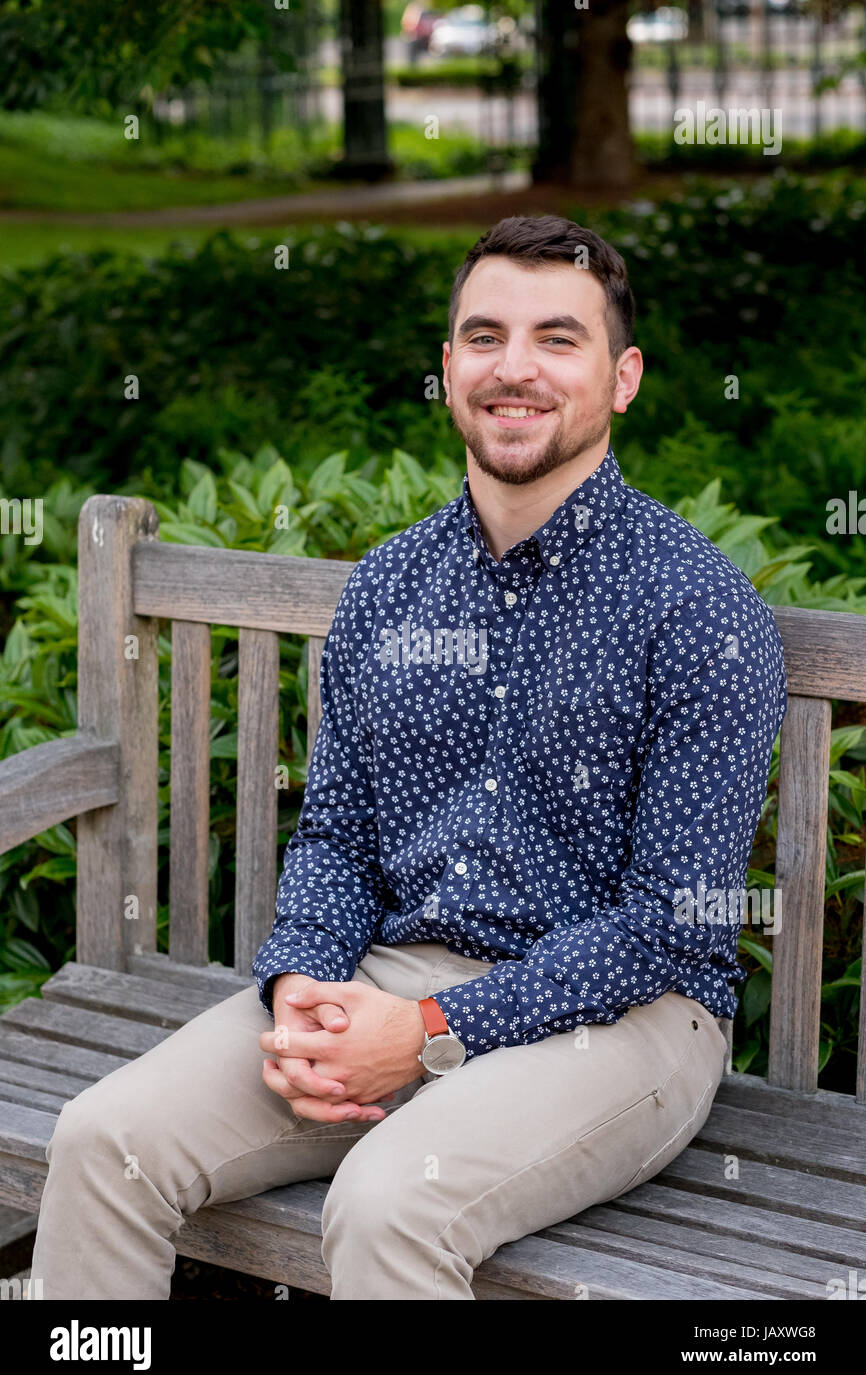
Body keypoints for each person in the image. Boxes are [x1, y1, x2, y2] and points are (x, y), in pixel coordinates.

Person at [31, 215, 787, 1300]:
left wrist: (431, 1033)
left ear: (621, 378)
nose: (512, 367)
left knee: (392, 1201)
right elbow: (337, 832)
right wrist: (302, 981)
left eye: (555, 339)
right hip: (391, 982)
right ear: (447, 369)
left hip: (628, 1022)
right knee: (103, 1138)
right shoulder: (388, 587)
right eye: (483, 336)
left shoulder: (695, 608)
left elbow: (670, 923)